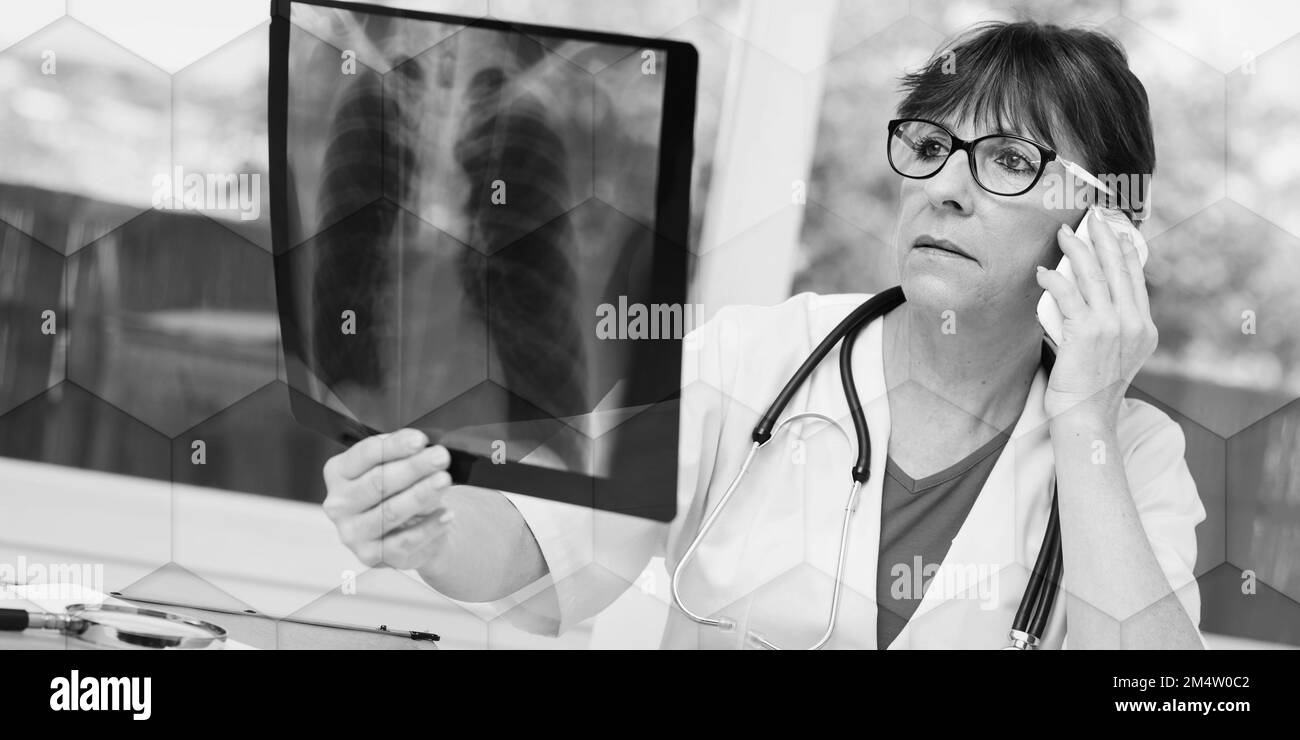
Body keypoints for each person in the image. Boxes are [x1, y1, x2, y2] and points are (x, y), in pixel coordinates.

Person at [320, 20, 1207, 649]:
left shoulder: (1133, 457)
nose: (945, 185)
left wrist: (1084, 417)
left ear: (1101, 223)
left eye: (1010, 161)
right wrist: (428, 529)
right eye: (932, 144)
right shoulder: (745, 361)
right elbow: (543, 548)